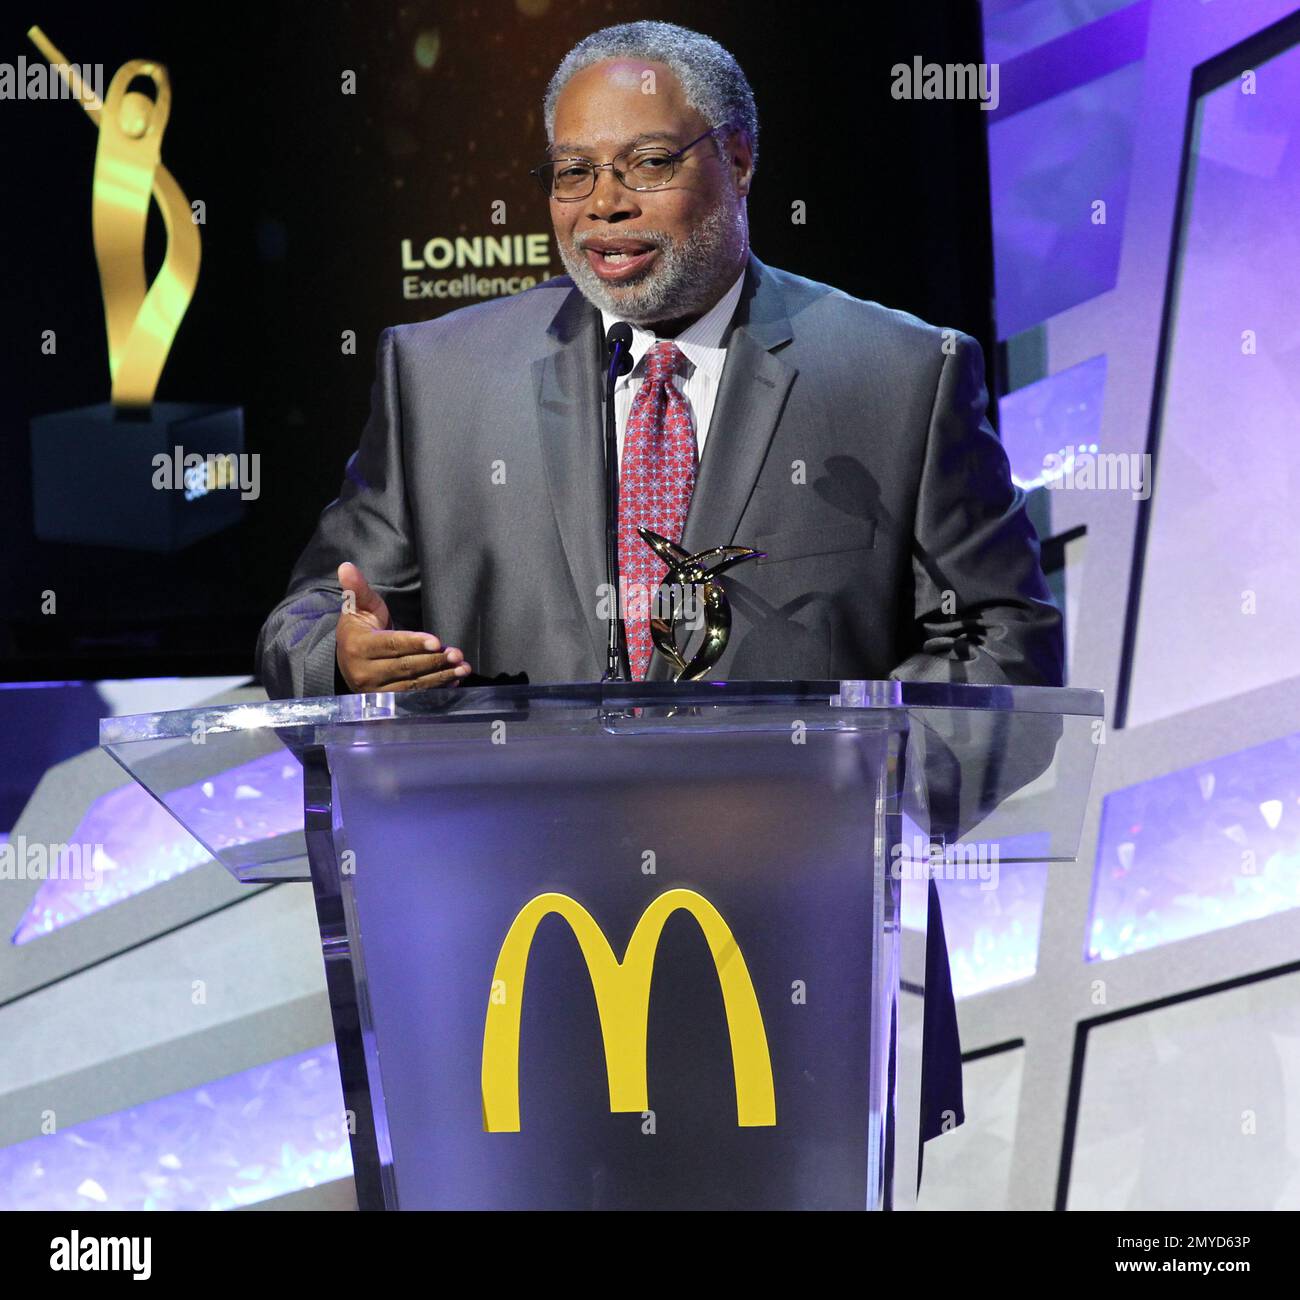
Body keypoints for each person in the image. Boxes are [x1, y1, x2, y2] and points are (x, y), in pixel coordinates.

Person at [256, 20, 1064, 1167]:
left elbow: (1005, 646)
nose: (603, 206)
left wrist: (828, 799)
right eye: (574, 172)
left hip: (803, 968)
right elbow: (300, 620)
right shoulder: (441, 377)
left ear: (737, 160)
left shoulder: (897, 375)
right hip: (510, 964)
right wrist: (341, 661)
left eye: (645, 163)